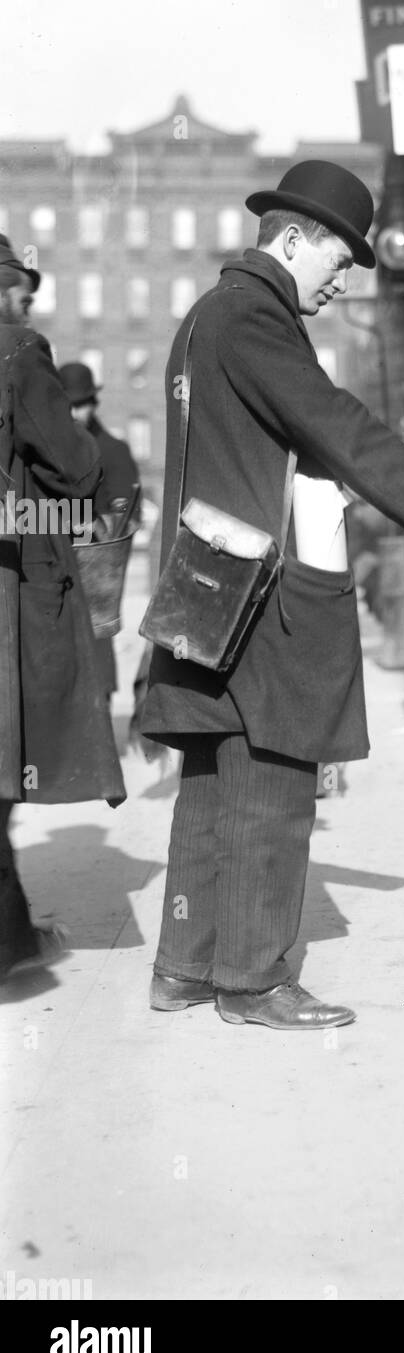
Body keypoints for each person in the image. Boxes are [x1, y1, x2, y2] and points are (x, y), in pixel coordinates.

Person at [141, 161, 404, 1031]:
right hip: (262, 590)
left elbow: (260, 447)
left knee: (210, 777)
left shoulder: (205, 316)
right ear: (292, 238)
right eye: (337, 258)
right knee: (275, 770)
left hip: (206, 583)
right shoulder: (256, 317)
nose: (342, 279)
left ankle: (186, 969)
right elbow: (336, 423)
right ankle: (255, 981)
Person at [0, 236, 126, 982]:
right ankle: (9, 940)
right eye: (22, 290)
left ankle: (12, 935)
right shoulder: (19, 349)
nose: (29, 303)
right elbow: (76, 465)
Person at [58, 360, 141, 706]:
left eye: (83, 404)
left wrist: (85, 524)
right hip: (57, 579)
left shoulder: (113, 451)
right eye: (70, 406)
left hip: (94, 580)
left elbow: (124, 520)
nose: (77, 413)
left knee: (95, 680)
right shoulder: (50, 452)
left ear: (94, 403)